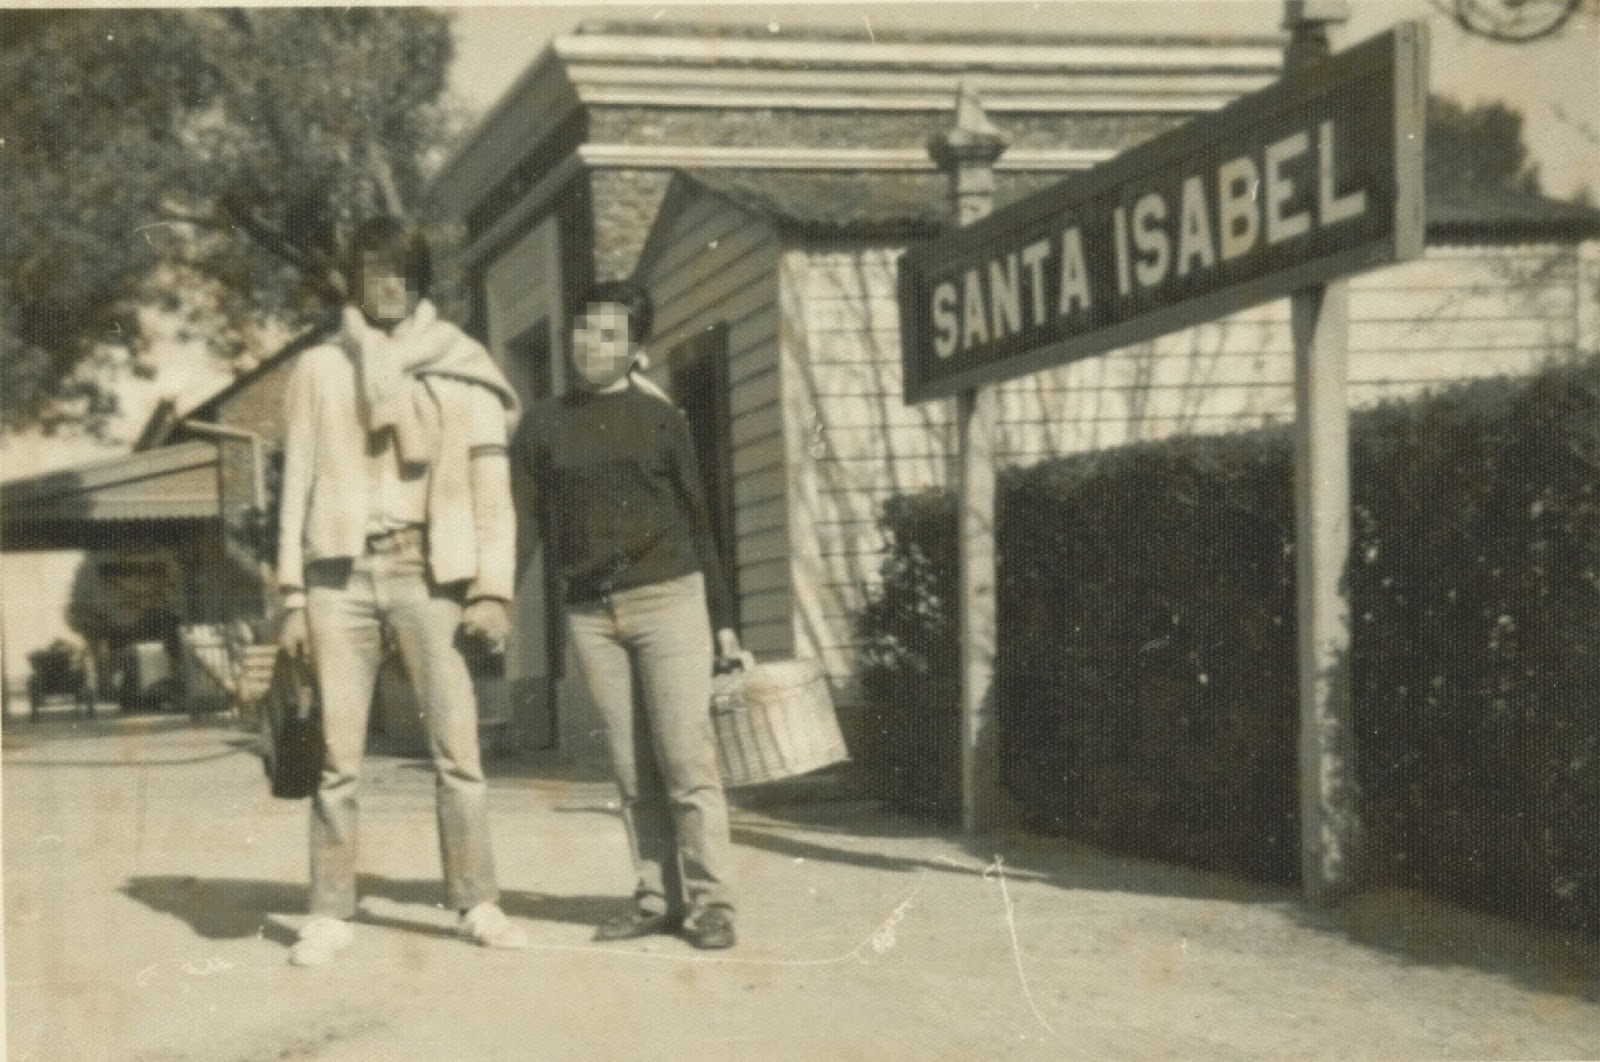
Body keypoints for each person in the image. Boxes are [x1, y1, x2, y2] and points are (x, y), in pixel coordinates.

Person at [276, 216, 527, 966]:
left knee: (457, 751)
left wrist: (493, 589)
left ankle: (477, 901)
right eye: (372, 272)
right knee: (338, 756)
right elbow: (297, 481)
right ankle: (328, 911)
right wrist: (291, 592)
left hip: (431, 571)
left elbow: (492, 490)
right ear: (353, 280)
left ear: (421, 280)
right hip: (338, 576)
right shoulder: (321, 368)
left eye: (400, 273)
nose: (386, 287)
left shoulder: (462, 367)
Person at [510, 279, 742, 950]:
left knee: (685, 758)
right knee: (630, 767)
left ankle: (712, 903)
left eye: (610, 334)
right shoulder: (541, 424)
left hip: (670, 598)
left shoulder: (663, 419)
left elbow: (700, 518)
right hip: (589, 614)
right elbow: (523, 526)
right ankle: (655, 897)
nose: (592, 344)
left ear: (635, 347)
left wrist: (724, 620)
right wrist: (492, 597)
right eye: (584, 329)